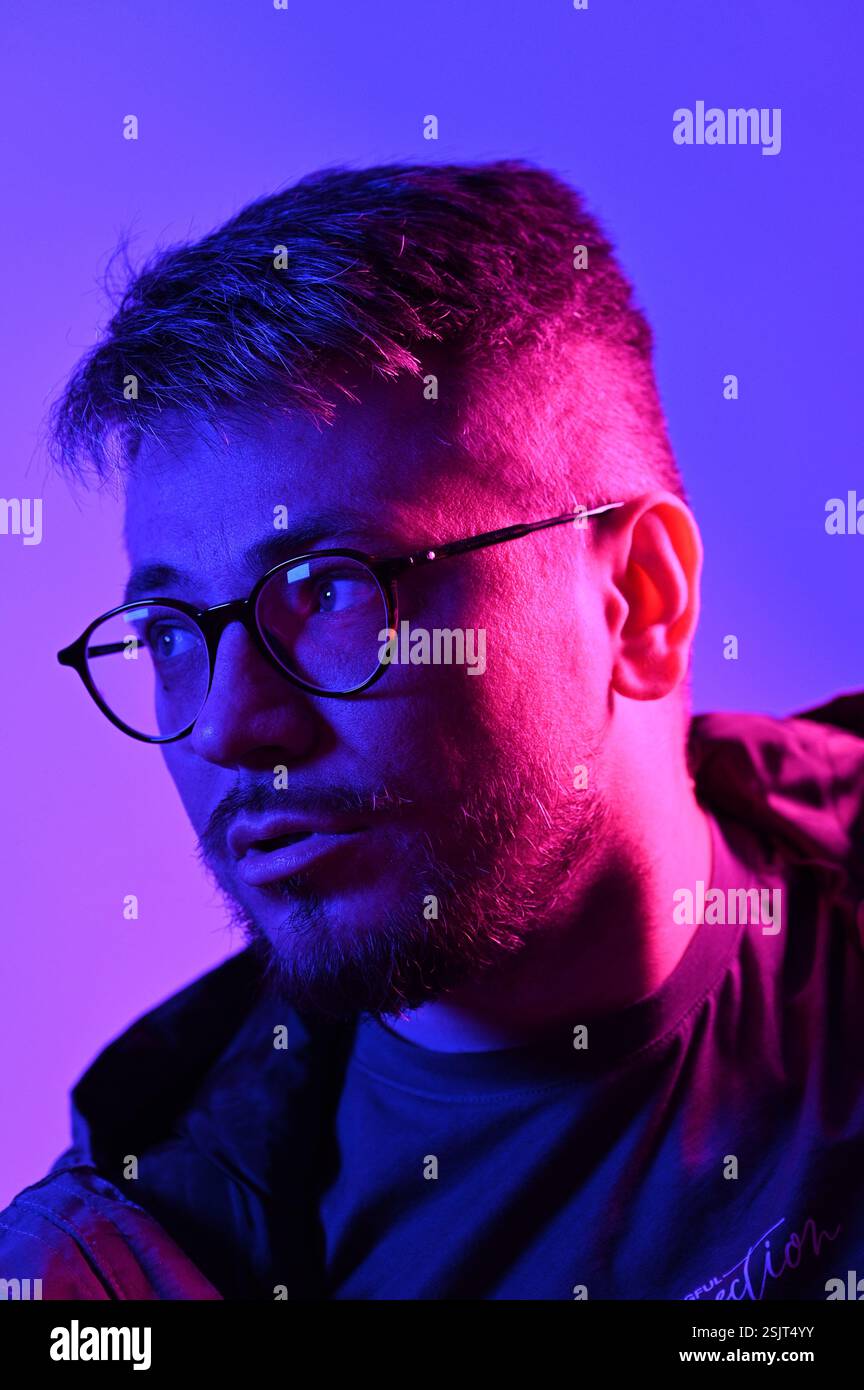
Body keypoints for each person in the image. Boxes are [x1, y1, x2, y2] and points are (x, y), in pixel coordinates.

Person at [1, 162, 861, 1301]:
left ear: (638, 600)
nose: (231, 725)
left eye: (330, 586)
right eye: (168, 630)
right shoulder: (119, 1288)